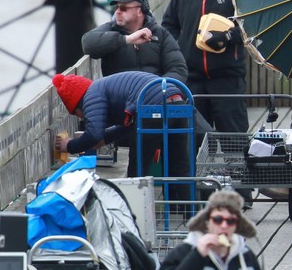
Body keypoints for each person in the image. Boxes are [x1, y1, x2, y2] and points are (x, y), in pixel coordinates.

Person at [161, 0, 248, 136]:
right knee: (193, 139)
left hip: (227, 79)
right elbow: (168, 25)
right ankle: (196, 169)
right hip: (192, 79)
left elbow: (250, 28)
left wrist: (226, 36)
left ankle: (233, 168)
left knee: (233, 137)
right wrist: (180, 48)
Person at [51, 70, 194, 188]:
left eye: (76, 113)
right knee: (179, 165)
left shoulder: (91, 95)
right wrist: (105, 139)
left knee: (138, 170)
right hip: (177, 100)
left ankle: (135, 216)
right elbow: (130, 125)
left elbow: (93, 134)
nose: (82, 118)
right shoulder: (104, 87)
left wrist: (69, 145)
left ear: (78, 105)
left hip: (153, 107)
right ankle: (185, 213)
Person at [81, 0, 187, 83]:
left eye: (123, 8)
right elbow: (87, 43)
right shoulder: (110, 29)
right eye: (116, 8)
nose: (117, 12)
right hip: (120, 98)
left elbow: (178, 69)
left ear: (140, 11)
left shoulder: (161, 34)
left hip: (155, 97)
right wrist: (126, 40)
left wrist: (158, 88)